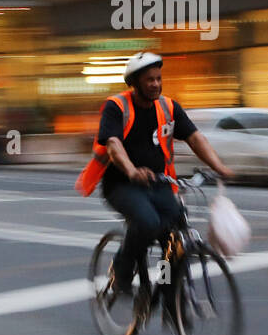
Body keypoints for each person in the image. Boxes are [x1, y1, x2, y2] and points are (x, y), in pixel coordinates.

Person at [75, 51, 234, 320]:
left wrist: (219, 167)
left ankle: (170, 299)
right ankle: (122, 272)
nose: (156, 84)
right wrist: (132, 170)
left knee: (176, 241)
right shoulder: (117, 107)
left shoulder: (169, 108)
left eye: (159, 79)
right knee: (148, 223)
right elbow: (113, 145)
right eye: (149, 80)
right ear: (134, 83)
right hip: (121, 185)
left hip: (158, 184)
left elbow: (195, 138)